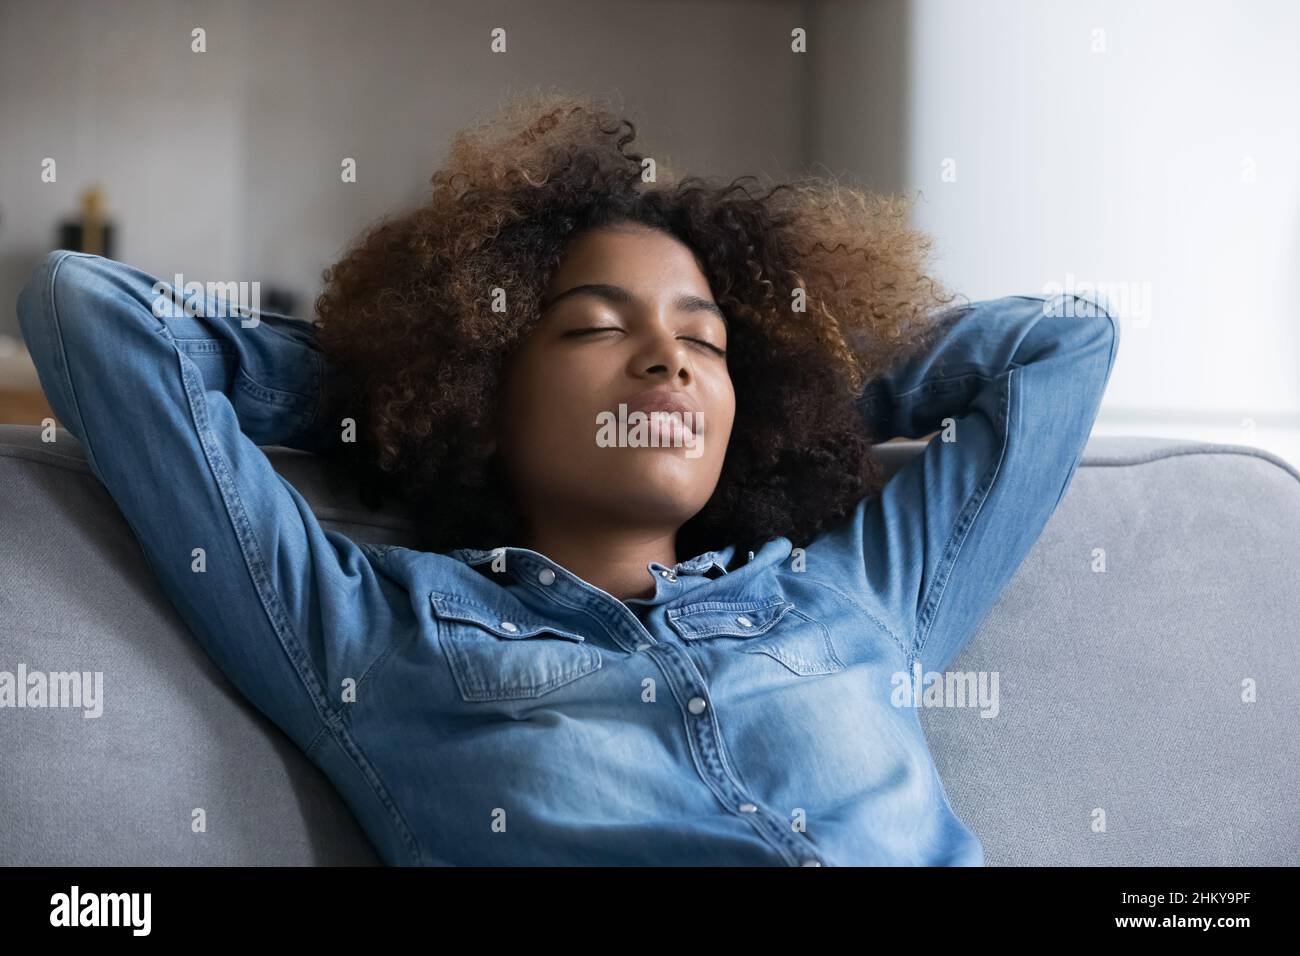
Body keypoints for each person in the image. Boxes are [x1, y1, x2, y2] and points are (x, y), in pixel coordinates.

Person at [16, 91, 1119, 866]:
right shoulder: (374, 636)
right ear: (484, 382)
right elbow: (94, 314)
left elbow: (1062, 341)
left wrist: (799, 400)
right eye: (594, 326)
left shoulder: (855, 598)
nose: (670, 357)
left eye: (707, 342)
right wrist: (388, 386)